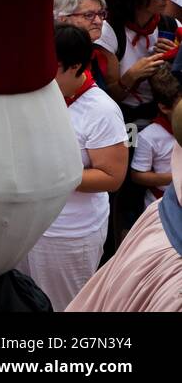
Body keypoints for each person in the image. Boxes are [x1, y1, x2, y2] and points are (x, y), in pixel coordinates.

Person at [18, 23, 127, 311]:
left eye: (50, 68)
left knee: (65, 305)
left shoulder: (101, 111)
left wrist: (52, 177)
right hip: (24, 224)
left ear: (76, 66)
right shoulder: (35, 93)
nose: (39, 75)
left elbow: (112, 177)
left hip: (68, 234)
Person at [102, 0, 175, 114]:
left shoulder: (171, 26)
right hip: (125, 115)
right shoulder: (108, 33)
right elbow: (108, 98)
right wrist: (131, 76)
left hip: (165, 112)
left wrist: (177, 58)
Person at [129, 66, 178, 200]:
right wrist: (176, 177)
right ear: (164, 107)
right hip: (162, 203)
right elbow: (138, 175)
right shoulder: (148, 136)